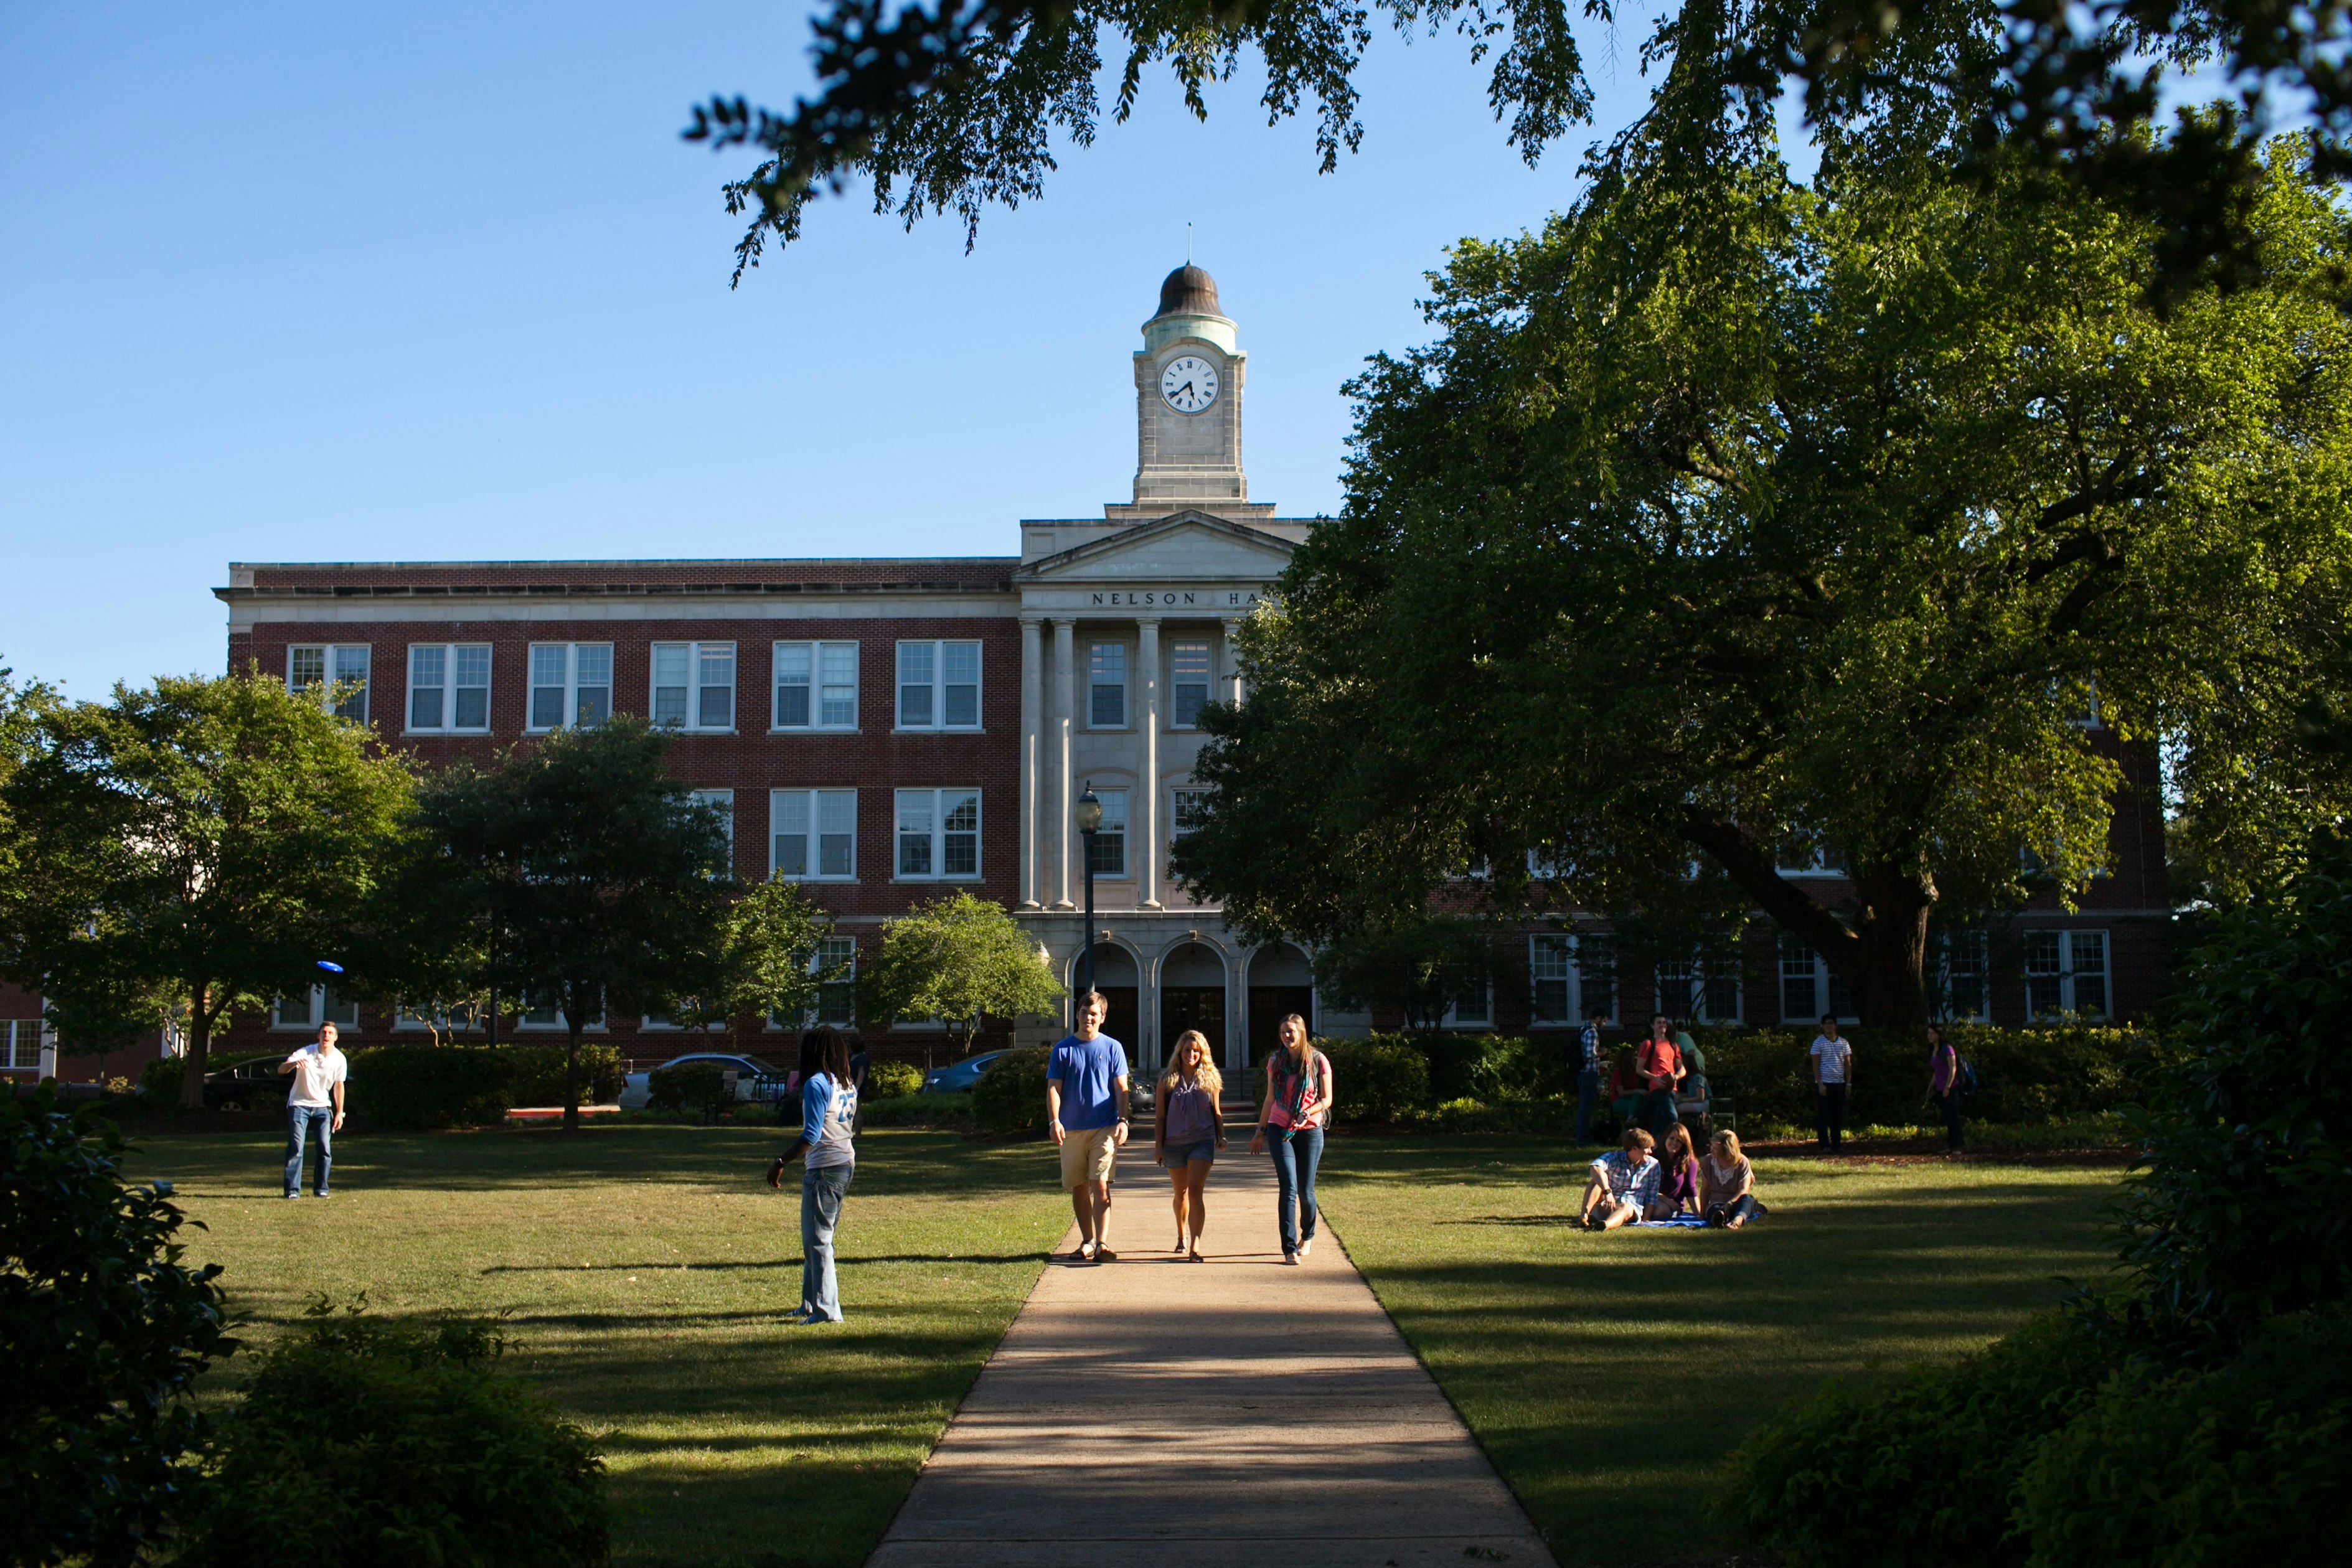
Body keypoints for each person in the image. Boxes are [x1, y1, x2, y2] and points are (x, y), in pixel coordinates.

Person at [770, 1030, 858, 1323]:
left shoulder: (816, 1084)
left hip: (824, 1168)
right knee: (816, 1238)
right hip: (844, 1163)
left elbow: (811, 1135)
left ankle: (826, 1311)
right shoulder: (845, 1083)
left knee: (818, 1240)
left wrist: (780, 1161)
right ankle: (810, 1303)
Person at [1047, 990, 1131, 1264]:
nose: (1088, 1018)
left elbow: (1121, 1088)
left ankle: (1102, 1244)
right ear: (1078, 1014)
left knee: (1101, 1184)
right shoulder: (1063, 1049)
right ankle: (1086, 1241)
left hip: (1104, 1127)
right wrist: (1055, 1120)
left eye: (1094, 1014)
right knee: (1079, 1187)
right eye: (1084, 1012)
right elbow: (1054, 1089)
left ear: (1102, 1018)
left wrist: (1123, 1120)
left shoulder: (1112, 1048)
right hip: (1071, 1129)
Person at [1250, 1013, 1332, 1265]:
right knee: (1288, 1188)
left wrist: (1308, 1112)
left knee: (1306, 1192)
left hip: (1309, 1130)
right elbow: (1269, 1099)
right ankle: (1289, 1247)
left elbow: (1327, 1100)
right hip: (1279, 1128)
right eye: (1283, 1031)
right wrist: (1260, 1132)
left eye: (1291, 1032)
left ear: (1302, 1032)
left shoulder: (1318, 1061)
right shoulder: (1276, 1062)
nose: (1287, 1036)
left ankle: (1307, 1237)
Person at [1154, 1029, 1225, 1262]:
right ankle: (1181, 1235)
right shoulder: (1166, 1081)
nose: (1191, 1054)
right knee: (1180, 1194)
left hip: (1202, 1141)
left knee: (1195, 1191)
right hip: (1174, 1143)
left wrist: (1221, 1136)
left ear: (1202, 1053)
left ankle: (1196, 1246)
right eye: (1187, 1050)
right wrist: (1158, 1147)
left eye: (1196, 1051)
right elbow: (1161, 1117)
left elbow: (1216, 1112)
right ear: (1180, 1052)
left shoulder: (1211, 1079)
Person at [276, 1020, 347, 1199]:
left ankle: (321, 1188)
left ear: (336, 1038)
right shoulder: (305, 1052)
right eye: (324, 1032)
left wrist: (340, 1113)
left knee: (325, 1148)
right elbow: (281, 1069)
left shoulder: (339, 1059)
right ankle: (292, 1191)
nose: (326, 1036)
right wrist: (293, 1064)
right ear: (318, 1035)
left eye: (330, 1033)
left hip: (323, 1107)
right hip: (299, 1105)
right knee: (296, 1148)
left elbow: (339, 1086)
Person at [1579, 1127, 1660, 1230]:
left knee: (1627, 1207)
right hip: (1607, 1205)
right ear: (1634, 1148)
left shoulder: (1653, 1165)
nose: (1650, 1152)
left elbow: (1652, 1196)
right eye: (1647, 1148)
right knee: (1598, 1178)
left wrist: (1645, 1219)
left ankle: (1605, 1225)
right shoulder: (1615, 1158)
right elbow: (1594, 1167)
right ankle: (1583, 1217)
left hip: (1630, 1208)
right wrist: (1607, 1191)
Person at [1701, 1130, 1764, 1228]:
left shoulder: (1742, 1162)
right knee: (1714, 1210)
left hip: (1738, 1200)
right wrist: (1702, 1214)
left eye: (1715, 1148)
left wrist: (1730, 1204)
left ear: (1727, 1149)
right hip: (1717, 1202)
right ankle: (1719, 1217)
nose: (1711, 1150)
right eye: (1712, 1147)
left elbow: (1743, 1190)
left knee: (1747, 1200)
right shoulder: (1707, 1162)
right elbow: (1705, 1190)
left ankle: (1738, 1220)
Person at [1637, 1014, 1685, 1138]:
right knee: (1672, 1116)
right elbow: (1639, 1069)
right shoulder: (1648, 1044)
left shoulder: (1673, 1045)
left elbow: (1682, 1069)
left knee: (1659, 1119)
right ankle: (1663, 1143)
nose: (1662, 1025)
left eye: (1664, 1023)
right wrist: (1655, 1078)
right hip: (1657, 1087)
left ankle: (1653, 1146)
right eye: (1659, 1023)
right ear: (1652, 1026)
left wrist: (1675, 1077)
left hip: (1671, 1088)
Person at [1810, 1014, 1853, 1152]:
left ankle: (1837, 1144)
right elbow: (1815, 1065)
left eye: (1831, 1024)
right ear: (1822, 1026)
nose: (1828, 1027)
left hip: (1839, 1083)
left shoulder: (1844, 1043)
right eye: (1826, 1024)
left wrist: (1848, 1083)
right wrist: (1820, 1084)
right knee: (1824, 1115)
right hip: (1824, 1083)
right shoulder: (1818, 1043)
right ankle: (1825, 1145)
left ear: (1835, 1025)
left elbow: (1847, 1064)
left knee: (1837, 1115)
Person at [1649, 1121, 1702, 1219]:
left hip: (1672, 1206)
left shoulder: (1689, 1162)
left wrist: (1699, 1215)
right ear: (1665, 1138)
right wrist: (1666, 1199)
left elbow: (1690, 1189)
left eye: (1679, 1141)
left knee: (1661, 1211)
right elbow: (1645, 1188)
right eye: (1672, 1138)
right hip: (1649, 1199)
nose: (1674, 1143)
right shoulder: (1652, 1158)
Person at [1925, 1024, 1964, 1155]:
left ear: (1939, 1035)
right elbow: (1937, 1071)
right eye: (1929, 1033)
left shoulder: (1947, 1049)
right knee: (1947, 1117)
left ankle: (1958, 1145)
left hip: (1951, 1088)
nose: (1930, 1036)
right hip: (1940, 1088)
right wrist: (1931, 1086)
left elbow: (1953, 1068)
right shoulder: (1934, 1050)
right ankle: (1950, 1145)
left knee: (1954, 1116)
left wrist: (1948, 1086)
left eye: (1932, 1033)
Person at [1574, 1008, 1608, 1144]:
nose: (1604, 1024)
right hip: (1589, 1073)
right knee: (1586, 1106)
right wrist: (1602, 1053)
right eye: (1604, 1021)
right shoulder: (1592, 1032)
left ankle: (1583, 1135)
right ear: (1598, 1018)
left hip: (1583, 1072)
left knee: (1584, 1105)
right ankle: (1583, 1138)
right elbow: (1589, 1055)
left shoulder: (1583, 1029)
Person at [1607, 1048, 1647, 1132]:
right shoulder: (1617, 1072)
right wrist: (1637, 1091)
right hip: (1619, 1102)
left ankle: (1629, 1120)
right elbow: (1621, 1093)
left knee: (1639, 1100)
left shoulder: (1634, 1071)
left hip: (1633, 1101)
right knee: (1639, 1106)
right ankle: (1630, 1122)